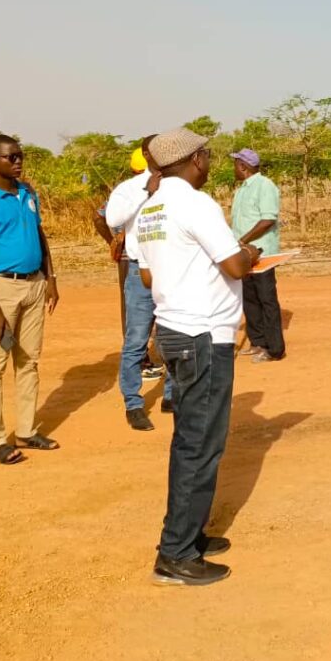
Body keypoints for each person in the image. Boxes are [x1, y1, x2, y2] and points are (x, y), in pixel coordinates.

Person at [135, 128, 260, 586]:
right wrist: (250, 253)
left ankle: (189, 534)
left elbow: (149, 276)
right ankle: (176, 554)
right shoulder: (195, 204)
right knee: (200, 444)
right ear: (194, 160)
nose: (208, 161)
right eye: (206, 154)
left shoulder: (151, 208)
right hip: (203, 333)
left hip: (175, 328)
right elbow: (234, 265)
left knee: (190, 438)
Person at [0, 134, 61, 465]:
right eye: (11, 157)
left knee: (28, 361)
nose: (18, 162)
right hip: (0, 291)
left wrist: (50, 278)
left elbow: (40, 236)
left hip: (34, 285)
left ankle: (27, 431)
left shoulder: (27, 193)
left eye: (20, 156)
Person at [105, 137, 174, 430]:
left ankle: (171, 394)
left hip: (171, 271)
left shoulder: (177, 185)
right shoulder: (129, 188)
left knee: (171, 336)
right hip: (139, 272)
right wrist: (146, 192)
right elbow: (112, 218)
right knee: (136, 340)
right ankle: (133, 403)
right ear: (146, 154)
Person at [230, 148, 285, 362]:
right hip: (244, 254)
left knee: (266, 299)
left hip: (262, 253)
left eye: (235, 164)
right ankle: (258, 342)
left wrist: (243, 240)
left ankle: (275, 349)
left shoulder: (265, 185)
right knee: (249, 299)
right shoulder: (242, 189)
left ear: (243, 166)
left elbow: (268, 219)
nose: (234, 168)